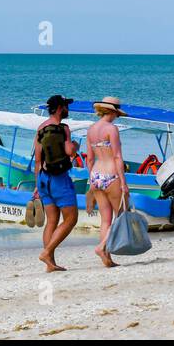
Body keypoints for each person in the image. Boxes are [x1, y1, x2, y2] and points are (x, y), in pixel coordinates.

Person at [33, 95, 79, 272]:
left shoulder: (40, 129)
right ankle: (47, 252)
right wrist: (75, 145)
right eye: (66, 106)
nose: (68, 109)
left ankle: (50, 263)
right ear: (60, 108)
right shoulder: (64, 128)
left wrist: (37, 184)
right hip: (59, 178)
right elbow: (69, 151)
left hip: (44, 178)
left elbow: (38, 160)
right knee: (71, 219)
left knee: (52, 220)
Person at [87, 97, 131, 267]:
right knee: (120, 216)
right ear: (112, 112)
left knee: (105, 220)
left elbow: (89, 159)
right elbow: (117, 156)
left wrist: (91, 179)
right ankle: (102, 247)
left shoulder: (91, 130)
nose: (117, 117)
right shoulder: (111, 129)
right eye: (117, 114)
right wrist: (123, 182)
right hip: (111, 175)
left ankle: (107, 257)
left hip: (96, 175)